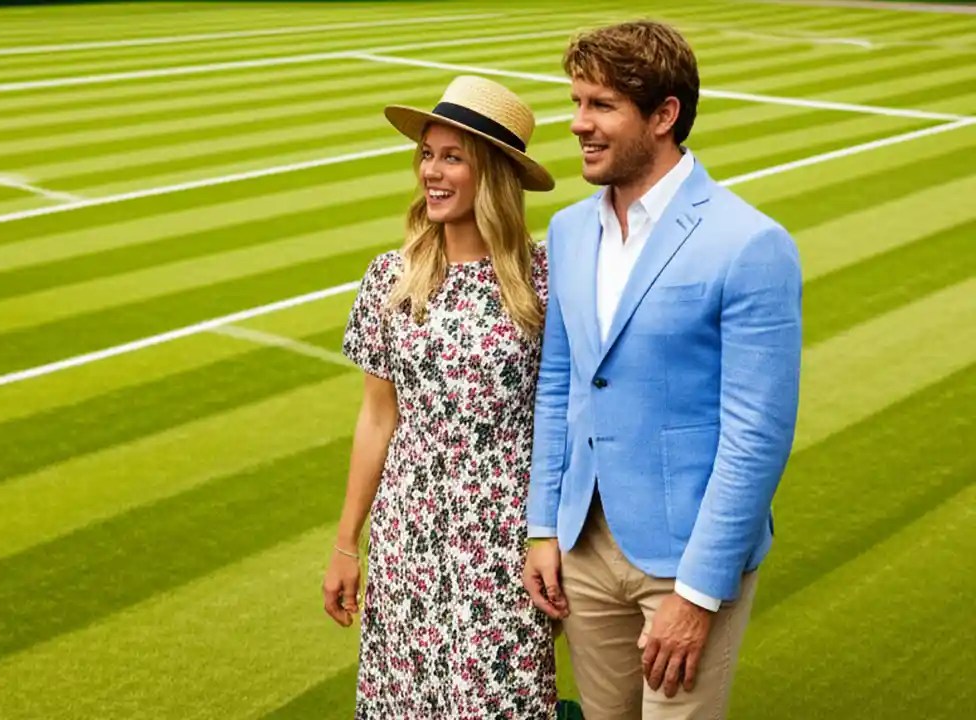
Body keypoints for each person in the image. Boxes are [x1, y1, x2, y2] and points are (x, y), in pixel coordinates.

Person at [522, 20, 803, 720]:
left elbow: (756, 437)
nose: (578, 122)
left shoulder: (751, 244)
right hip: (584, 543)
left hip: (685, 560)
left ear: (664, 115)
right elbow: (559, 386)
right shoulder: (568, 230)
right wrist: (543, 526)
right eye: (577, 101)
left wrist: (699, 593)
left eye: (601, 105)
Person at [322, 75, 558, 718]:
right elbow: (378, 419)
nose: (432, 171)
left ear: (493, 175)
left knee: (499, 701)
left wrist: (552, 536)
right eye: (427, 154)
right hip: (409, 535)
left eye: (453, 157)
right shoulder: (390, 278)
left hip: (505, 540)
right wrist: (346, 543)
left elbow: (565, 416)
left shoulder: (544, 279)